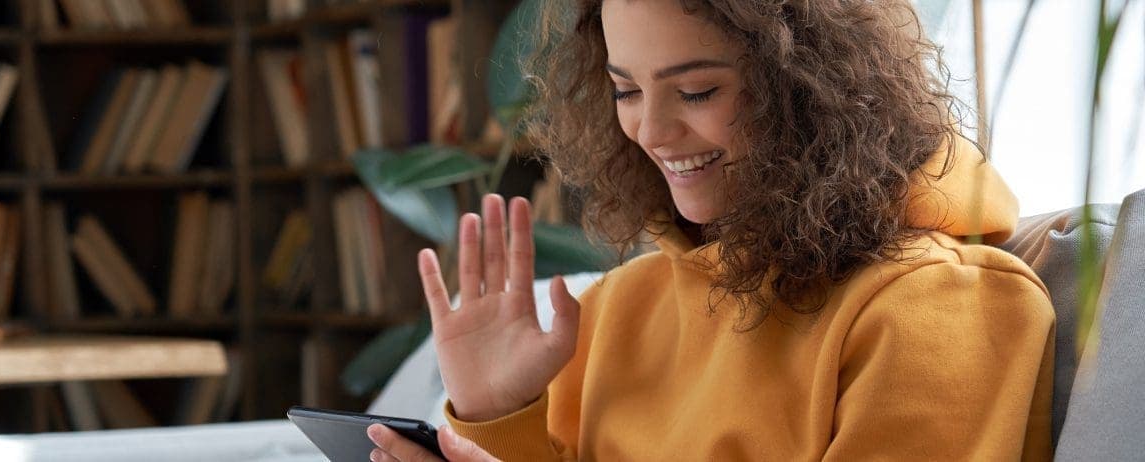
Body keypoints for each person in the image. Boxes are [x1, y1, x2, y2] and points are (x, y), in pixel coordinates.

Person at [368, 0, 1055, 460]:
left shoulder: (943, 308)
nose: (652, 132)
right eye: (626, 91)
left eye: (697, 91)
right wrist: (498, 410)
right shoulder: (615, 308)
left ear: (815, 87)